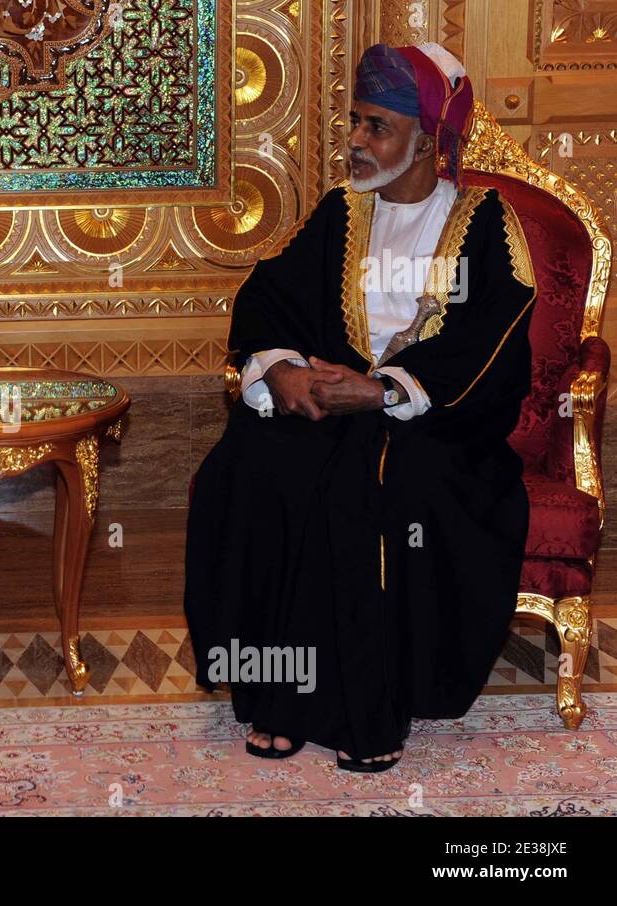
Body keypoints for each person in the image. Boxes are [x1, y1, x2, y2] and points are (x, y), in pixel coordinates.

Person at [183, 43, 537, 772]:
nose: (354, 140)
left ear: (428, 141)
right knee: (247, 466)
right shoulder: (343, 213)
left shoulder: (481, 223)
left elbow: (493, 342)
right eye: (354, 121)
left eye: (375, 125)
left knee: (366, 489)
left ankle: (362, 707)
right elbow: (271, 294)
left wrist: (382, 391)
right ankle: (276, 689)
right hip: (329, 407)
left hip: (434, 425)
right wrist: (280, 371)